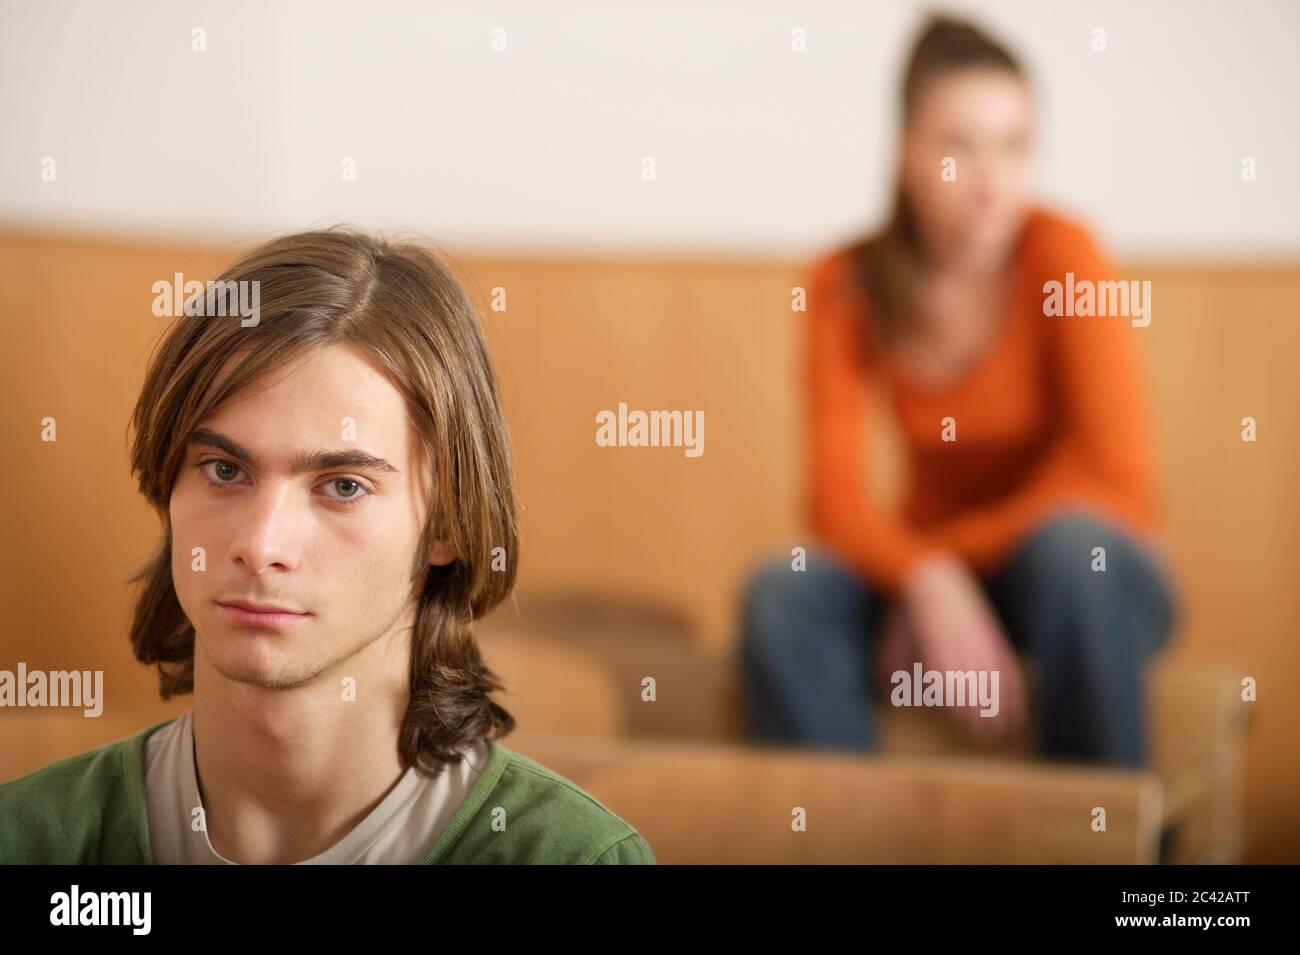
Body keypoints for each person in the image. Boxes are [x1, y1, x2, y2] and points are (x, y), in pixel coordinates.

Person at [0, 228, 655, 864]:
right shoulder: (28, 839)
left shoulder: (569, 856)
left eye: (343, 484)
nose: (261, 545)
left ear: (448, 523)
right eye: (225, 470)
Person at [738, 15, 1179, 769]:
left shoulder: (1067, 254)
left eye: (1014, 145)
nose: (991, 176)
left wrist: (936, 570)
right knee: (784, 589)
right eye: (959, 145)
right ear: (906, 154)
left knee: (1074, 548)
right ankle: (855, 836)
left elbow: (1112, 475)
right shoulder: (844, 283)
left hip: (1079, 576)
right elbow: (834, 496)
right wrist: (921, 577)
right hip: (939, 567)